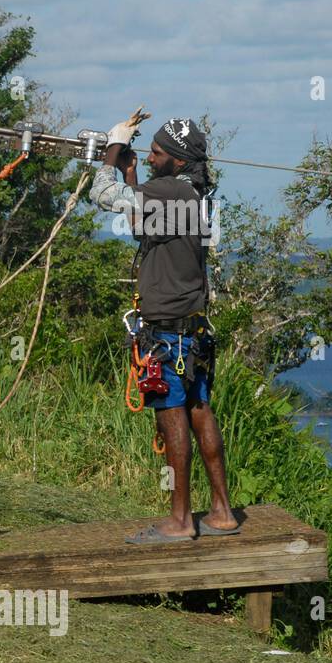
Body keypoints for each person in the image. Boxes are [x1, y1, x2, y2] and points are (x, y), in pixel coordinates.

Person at [91, 115, 238, 542]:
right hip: (192, 332)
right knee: (200, 412)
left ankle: (179, 519)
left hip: (166, 335)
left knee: (172, 418)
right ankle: (222, 511)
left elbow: (103, 195)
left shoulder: (170, 189)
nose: (151, 157)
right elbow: (142, 226)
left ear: (176, 160)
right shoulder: (192, 193)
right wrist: (132, 172)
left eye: (156, 154)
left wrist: (112, 150)